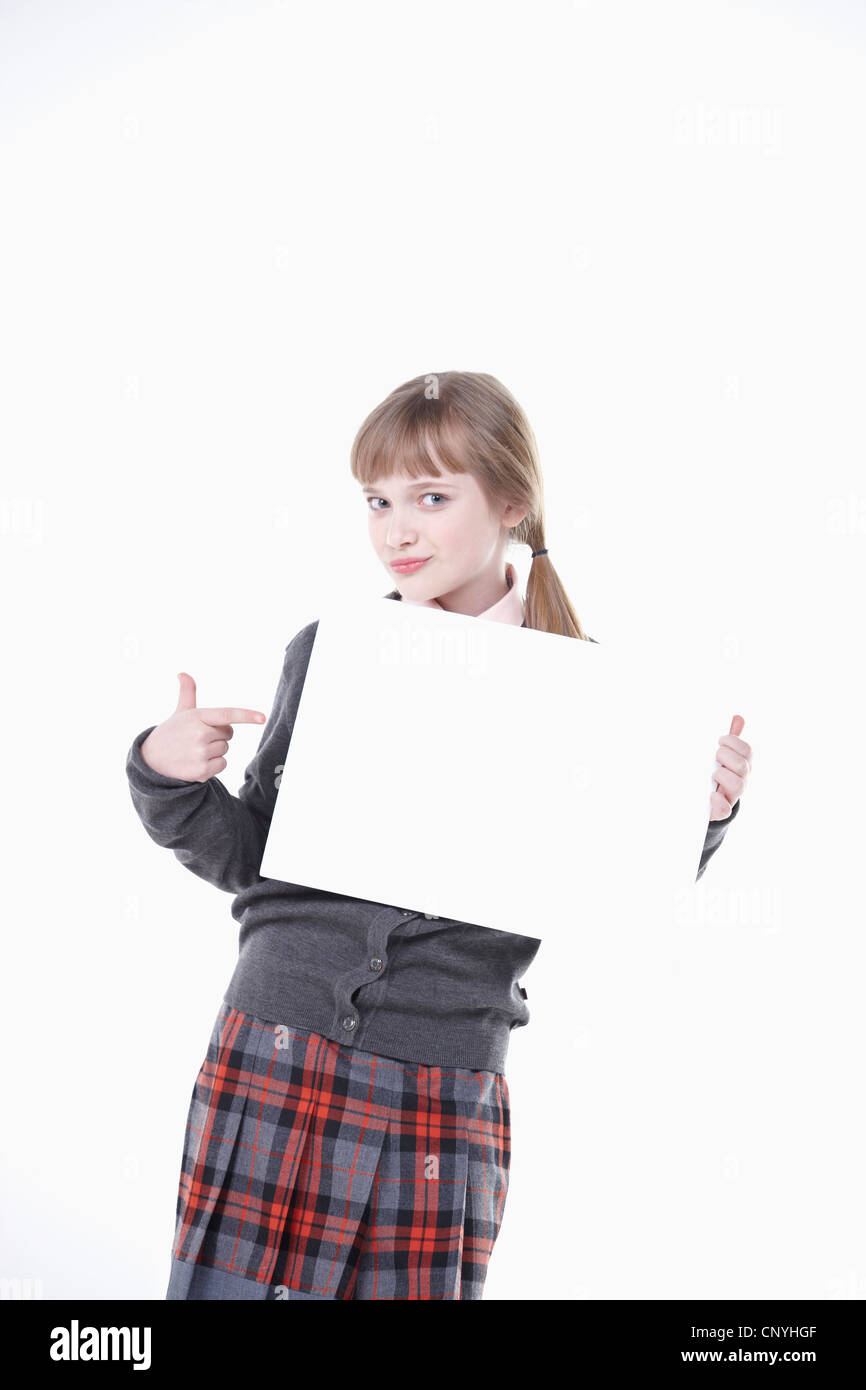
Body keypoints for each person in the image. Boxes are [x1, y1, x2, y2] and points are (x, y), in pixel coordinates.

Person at [125, 370, 751, 1300]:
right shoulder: (330, 648)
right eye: (377, 501)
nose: (396, 530)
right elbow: (251, 857)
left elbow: (618, 896)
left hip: (441, 1083)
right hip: (276, 1047)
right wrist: (167, 774)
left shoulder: (592, 692)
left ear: (512, 503)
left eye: (431, 496)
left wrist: (700, 818)